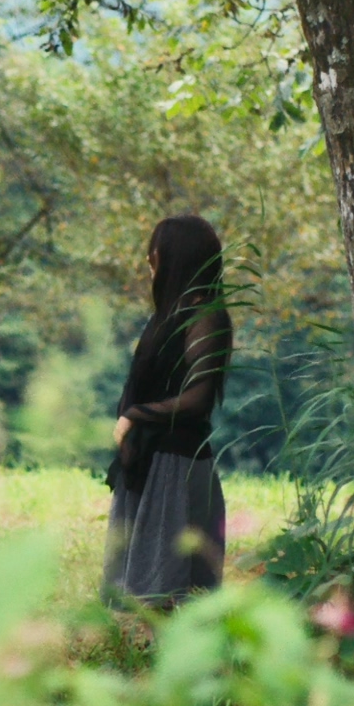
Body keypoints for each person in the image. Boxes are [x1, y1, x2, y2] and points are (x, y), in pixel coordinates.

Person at [104, 214, 233, 608]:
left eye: (155, 253)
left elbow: (197, 400)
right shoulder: (168, 316)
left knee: (172, 588)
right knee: (140, 587)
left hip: (177, 464)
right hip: (150, 459)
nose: (149, 261)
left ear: (176, 258)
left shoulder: (205, 317)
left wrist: (134, 416)